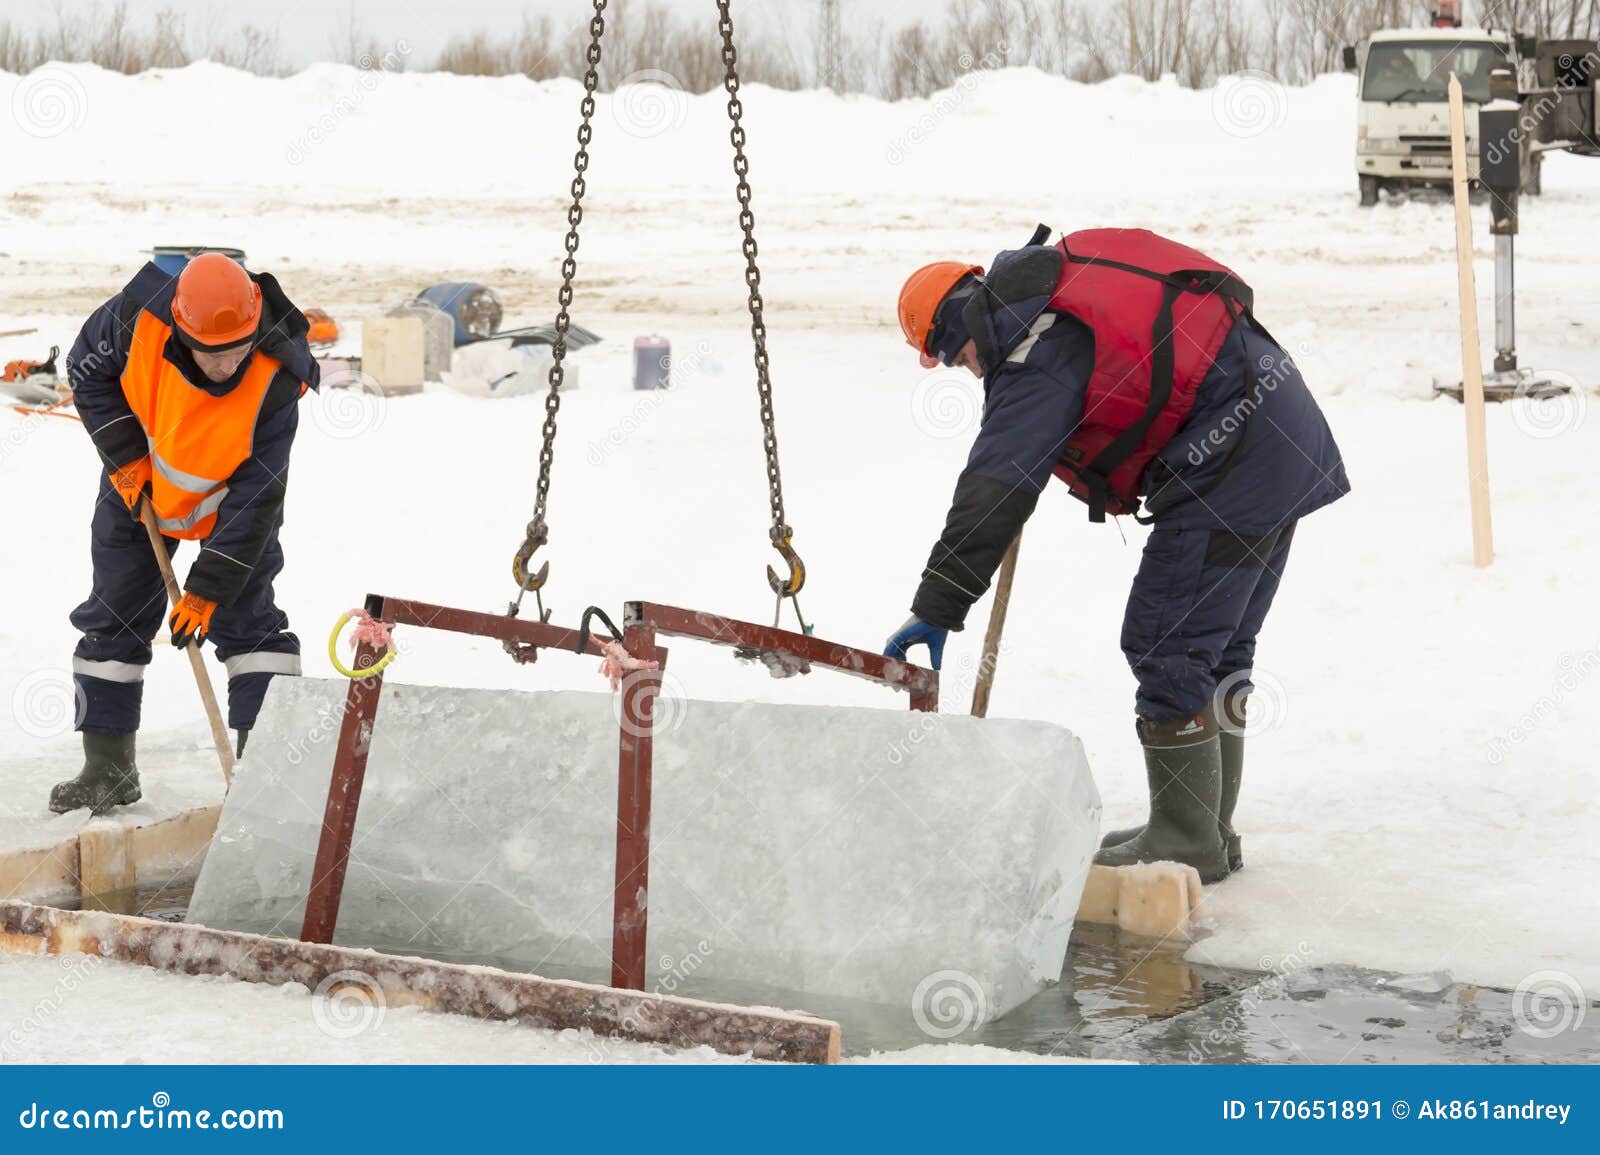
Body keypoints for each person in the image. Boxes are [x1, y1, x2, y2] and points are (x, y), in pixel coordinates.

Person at [884, 225, 1349, 882]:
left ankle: (1188, 838)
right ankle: (1206, 829)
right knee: (1214, 649)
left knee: (1167, 644)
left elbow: (994, 487)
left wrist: (938, 605)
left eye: (958, 359)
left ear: (956, 329)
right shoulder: (1055, 299)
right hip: (1276, 429)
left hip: (1235, 457)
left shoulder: (1031, 349)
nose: (970, 369)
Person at [53, 253, 320, 814]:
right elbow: (86, 370)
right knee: (113, 615)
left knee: (250, 626)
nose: (224, 366)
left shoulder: (279, 376)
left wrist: (208, 589)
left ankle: (260, 776)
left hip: (233, 507)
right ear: (180, 328)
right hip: (141, 482)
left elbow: (258, 495)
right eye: (210, 352)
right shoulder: (134, 319)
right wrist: (126, 457)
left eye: (235, 351)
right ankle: (107, 767)